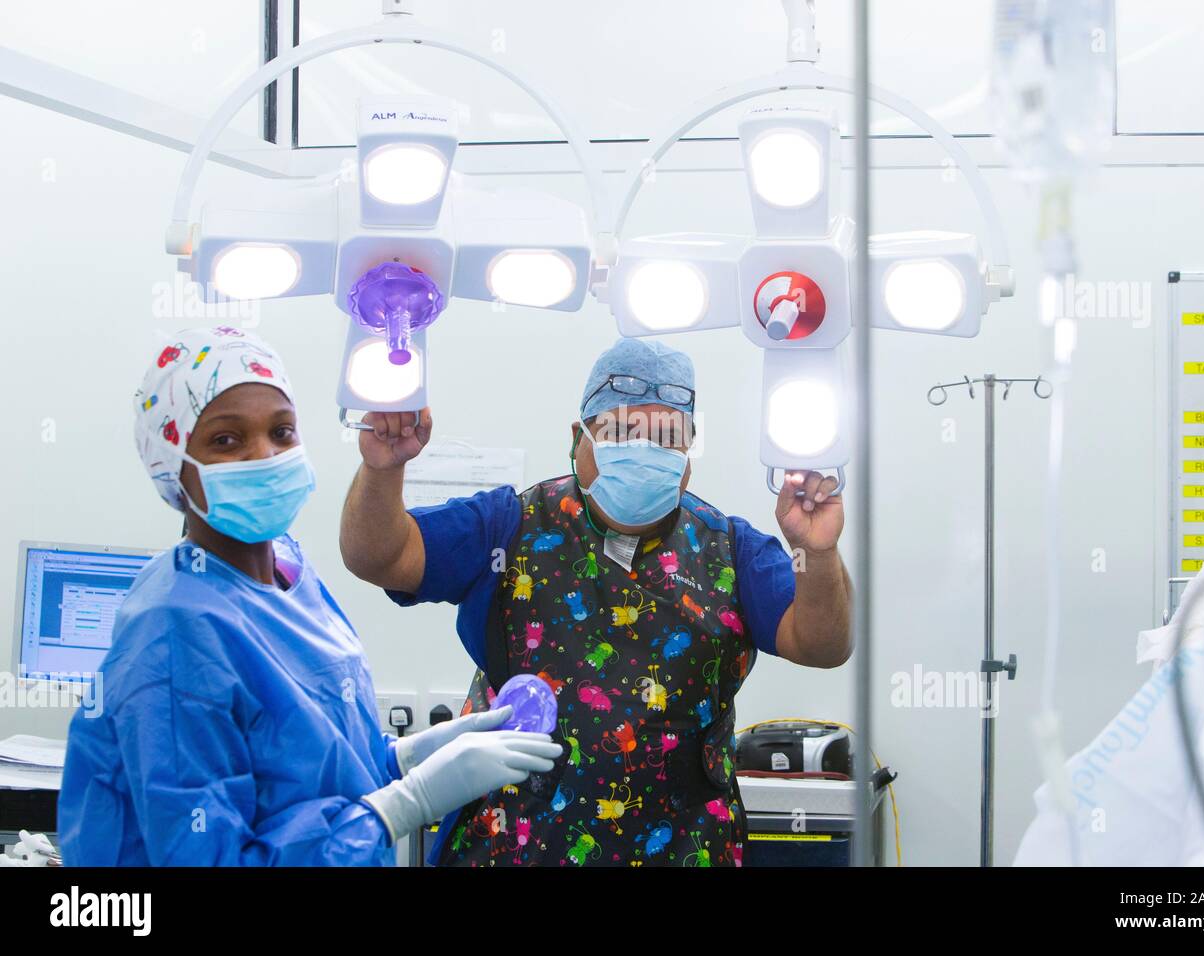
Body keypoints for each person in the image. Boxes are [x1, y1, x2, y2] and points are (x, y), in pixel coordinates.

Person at [58, 327, 561, 866]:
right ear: (172, 467)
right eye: (227, 440)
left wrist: (405, 759)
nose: (264, 455)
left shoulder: (290, 574)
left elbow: (317, 766)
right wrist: (403, 805)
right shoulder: (173, 628)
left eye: (281, 431)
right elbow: (205, 857)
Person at [340, 337, 852, 866]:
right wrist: (383, 469)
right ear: (577, 437)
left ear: (690, 450)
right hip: (513, 842)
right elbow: (381, 555)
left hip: (680, 847)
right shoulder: (509, 525)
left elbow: (823, 644)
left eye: (666, 436)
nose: (643, 450)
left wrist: (817, 550)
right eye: (622, 431)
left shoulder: (730, 550)